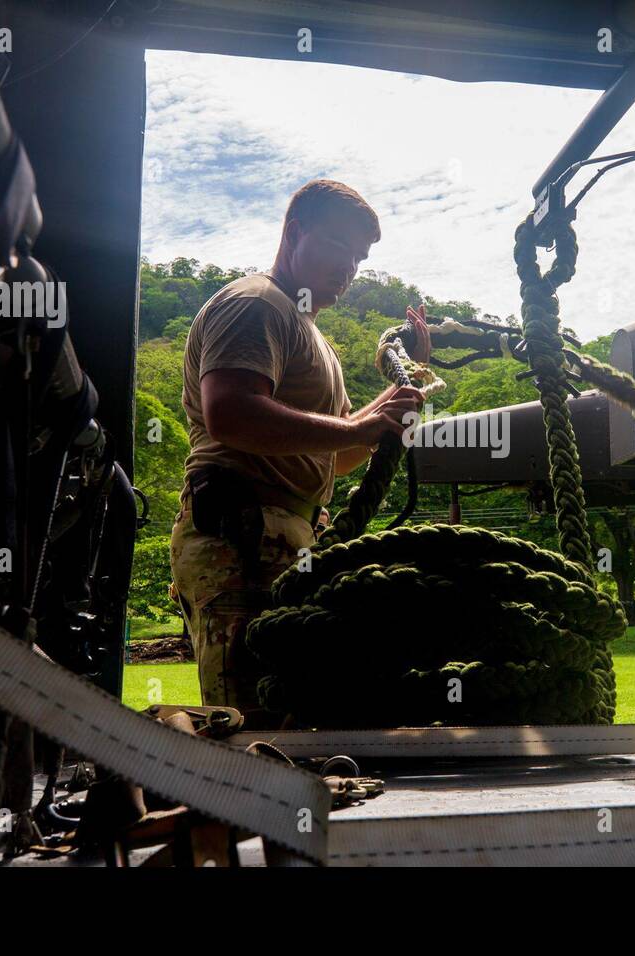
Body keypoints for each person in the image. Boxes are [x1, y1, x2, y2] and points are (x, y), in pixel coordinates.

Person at [169, 179, 430, 728]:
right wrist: (360, 424)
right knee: (254, 728)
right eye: (340, 246)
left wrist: (390, 409)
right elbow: (233, 412)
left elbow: (332, 459)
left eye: (359, 258)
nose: (350, 269)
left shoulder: (313, 337)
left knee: (297, 724)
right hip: (240, 533)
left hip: (290, 537)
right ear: (295, 232)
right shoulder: (256, 304)